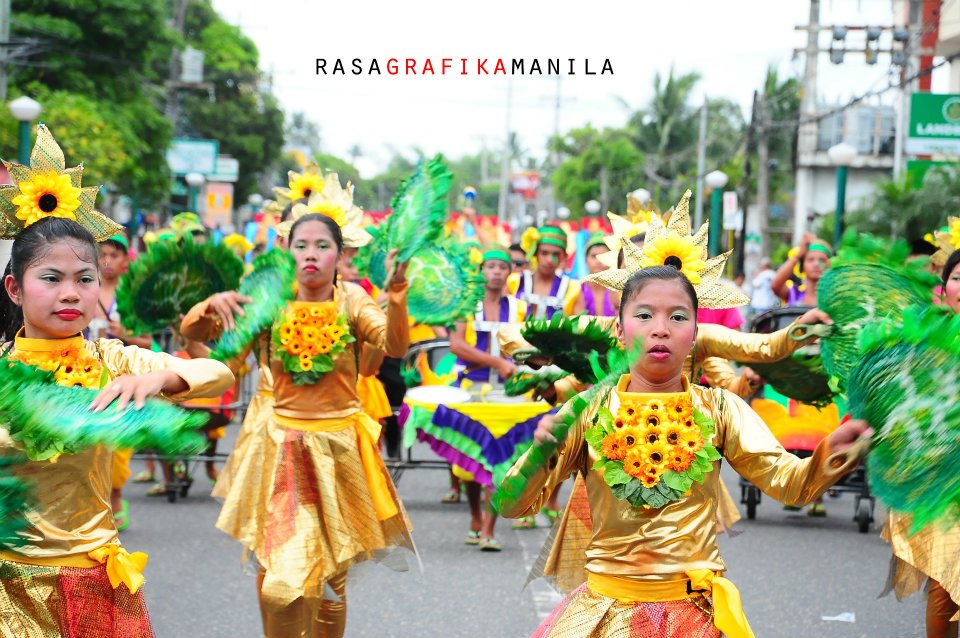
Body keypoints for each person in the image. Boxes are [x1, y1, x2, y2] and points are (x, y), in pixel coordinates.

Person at [498, 264, 869, 638]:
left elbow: (791, 485)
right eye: (644, 315)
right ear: (620, 332)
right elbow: (511, 505)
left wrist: (830, 455)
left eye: (677, 317)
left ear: (694, 336)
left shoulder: (721, 409)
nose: (660, 328)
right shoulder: (587, 411)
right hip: (602, 613)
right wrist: (539, 456)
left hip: (691, 617)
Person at [0, 125, 234, 637]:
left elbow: (218, 373)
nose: (70, 293)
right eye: (51, 278)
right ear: (15, 289)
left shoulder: (111, 358)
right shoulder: (1, 370)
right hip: (6, 589)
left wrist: (164, 378)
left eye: (85, 279)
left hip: (93, 581)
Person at [180, 212, 414, 638]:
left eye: (322, 246)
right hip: (281, 451)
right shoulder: (269, 300)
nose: (311, 255)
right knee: (279, 581)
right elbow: (223, 362)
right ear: (287, 251)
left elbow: (395, 344)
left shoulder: (353, 301)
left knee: (331, 580)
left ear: (340, 256)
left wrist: (396, 294)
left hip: (339, 453)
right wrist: (207, 308)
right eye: (301, 245)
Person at [882, 248, 960, 638]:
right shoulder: (921, 338)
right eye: (958, 277)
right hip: (939, 484)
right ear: (944, 286)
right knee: (945, 585)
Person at [448, 247, 526, 550]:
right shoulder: (466, 305)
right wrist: (496, 362)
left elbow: (523, 346)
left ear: (509, 273)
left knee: (500, 458)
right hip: (472, 389)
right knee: (467, 461)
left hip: (506, 392)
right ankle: (475, 516)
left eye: (501, 267)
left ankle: (489, 527)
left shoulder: (518, 308)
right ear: (481, 271)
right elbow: (456, 345)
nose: (495, 272)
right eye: (490, 266)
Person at [93, 233, 153, 532]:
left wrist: (123, 333)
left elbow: (148, 342)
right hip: (86, 376)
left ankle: (116, 496)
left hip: (124, 379)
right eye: (101, 254)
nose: (107, 261)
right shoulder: (82, 289)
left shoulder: (132, 298)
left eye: (114, 254)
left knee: (118, 446)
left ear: (125, 260)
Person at [510, 225, 581, 319]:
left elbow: (578, 326)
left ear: (564, 256)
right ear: (535, 253)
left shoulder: (573, 288)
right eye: (544, 253)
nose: (550, 260)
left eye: (556, 254)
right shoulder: (514, 282)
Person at [772, 233, 831, 307]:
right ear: (802, 266)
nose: (816, 264)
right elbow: (775, 285)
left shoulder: (834, 300)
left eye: (822, 260)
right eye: (810, 259)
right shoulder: (794, 294)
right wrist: (798, 255)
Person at [573, 233, 619, 317]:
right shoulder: (576, 291)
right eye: (593, 256)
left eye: (603, 256)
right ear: (586, 260)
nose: (598, 261)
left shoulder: (620, 291)